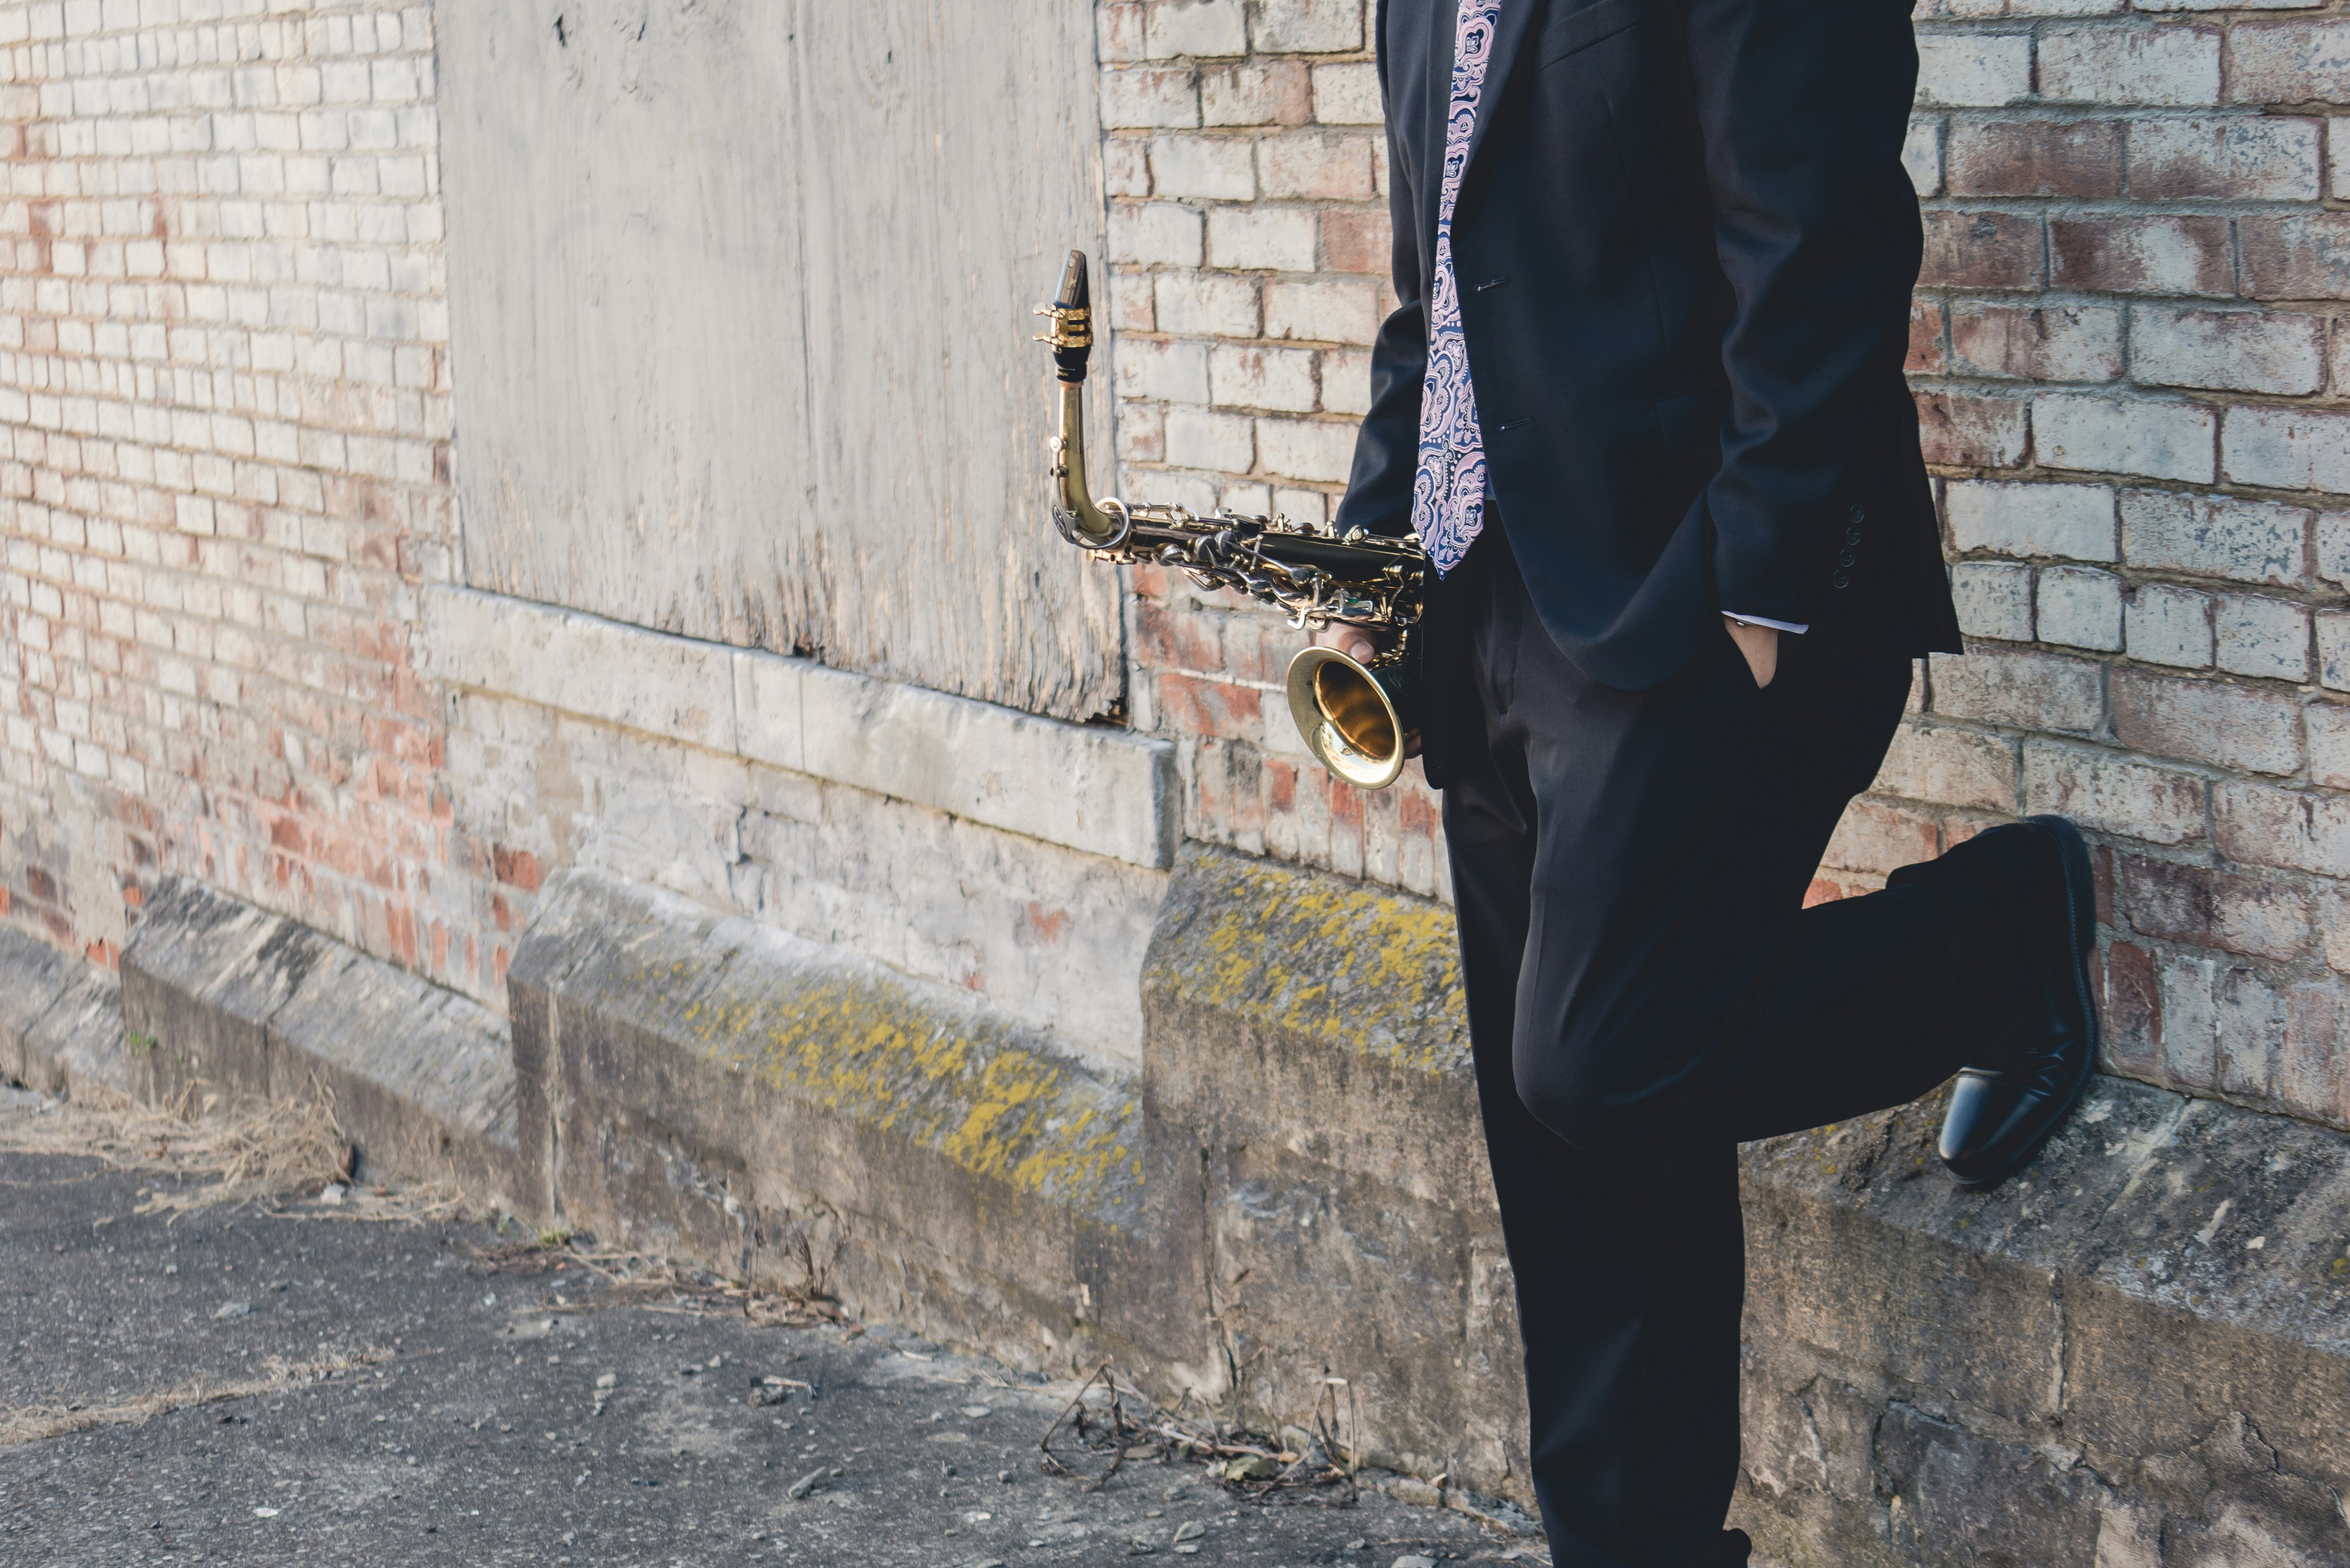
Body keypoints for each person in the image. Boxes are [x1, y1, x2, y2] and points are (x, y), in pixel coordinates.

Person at [1314, 0, 2102, 1562]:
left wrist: (1757, 598)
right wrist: (1373, 562)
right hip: (1483, 607)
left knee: (1602, 1056)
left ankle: (2005, 939)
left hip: (1693, 598)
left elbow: (1823, 233)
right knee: (1566, 1157)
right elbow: (1436, 314)